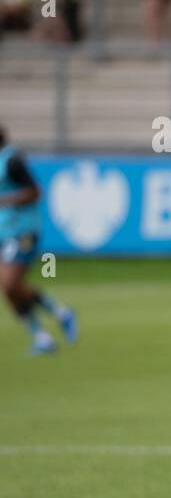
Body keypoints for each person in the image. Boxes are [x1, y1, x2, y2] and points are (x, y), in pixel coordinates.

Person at [0, 125, 76, 356]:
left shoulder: (12, 161)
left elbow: (35, 191)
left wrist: (6, 200)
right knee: (9, 289)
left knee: (10, 284)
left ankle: (57, 313)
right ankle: (43, 333)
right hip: (3, 232)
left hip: (22, 230)